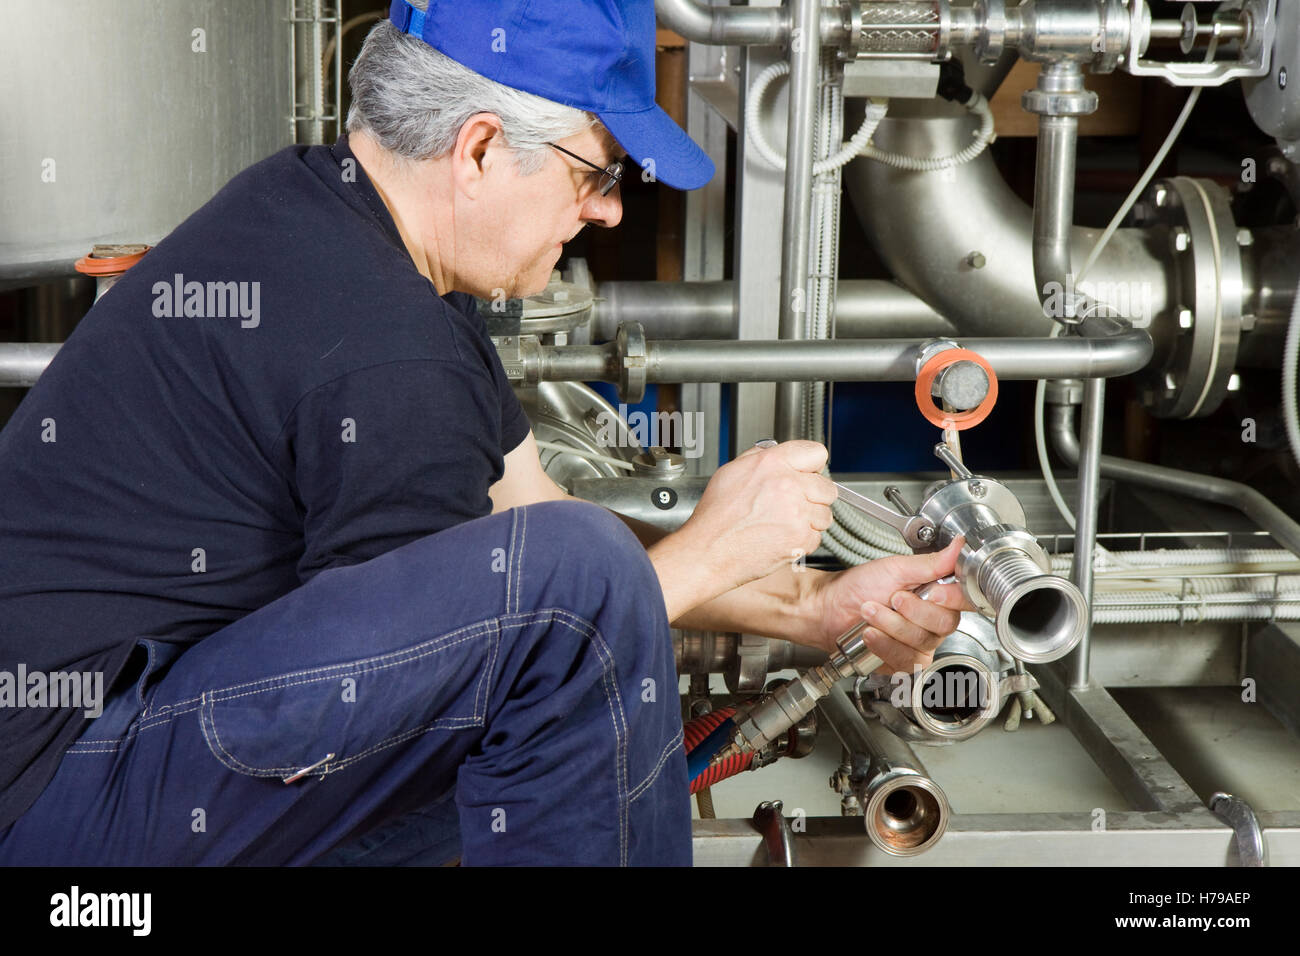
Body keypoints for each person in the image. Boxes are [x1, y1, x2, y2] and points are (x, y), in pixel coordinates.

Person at [0, 0, 970, 866]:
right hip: (65, 791)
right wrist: (710, 548)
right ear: (474, 149)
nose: (609, 207)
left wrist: (815, 603)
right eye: (596, 169)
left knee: (549, 668)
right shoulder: (382, 347)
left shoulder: (331, 218)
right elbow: (515, 631)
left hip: (128, 742)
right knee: (572, 602)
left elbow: (524, 526)